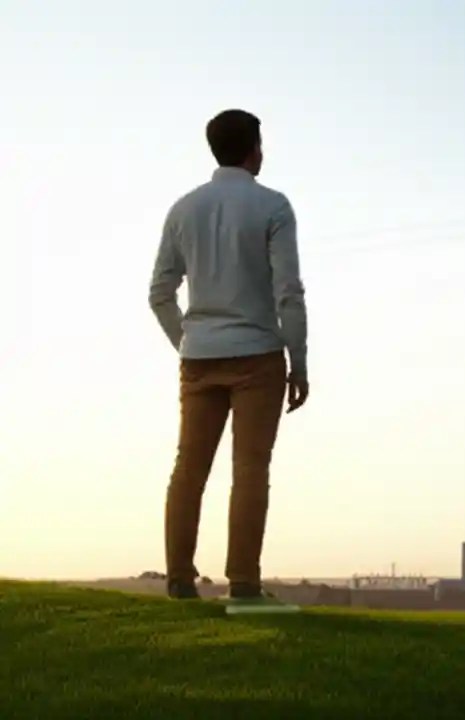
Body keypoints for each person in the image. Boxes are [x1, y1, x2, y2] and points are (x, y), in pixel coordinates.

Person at [148, 109, 309, 603]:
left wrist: (189, 341)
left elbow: (160, 292)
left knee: (189, 469)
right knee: (250, 469)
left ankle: (178, 579)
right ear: (252, 148)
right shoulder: (273, 206)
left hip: (198, 356)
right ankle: (243, 583)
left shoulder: (184, 208)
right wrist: (298, 361)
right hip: (258, 354)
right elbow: (288, 292)